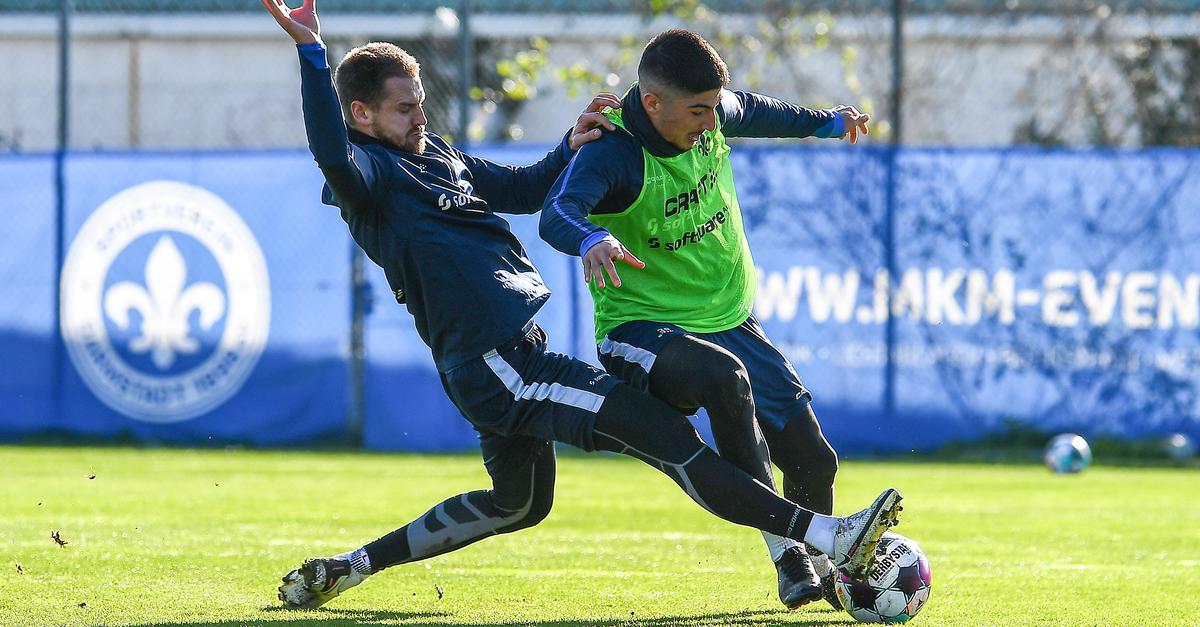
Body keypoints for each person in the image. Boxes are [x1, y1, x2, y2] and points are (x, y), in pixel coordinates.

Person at [261, 0, 902, 610]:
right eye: (404, 109)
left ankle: (351, 567)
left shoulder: (434, 156)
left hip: (514, 357)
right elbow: (330, 152)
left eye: (421, 103)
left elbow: (523, 190)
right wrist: (312, 54)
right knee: (667, 436)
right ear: (363, 116)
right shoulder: (367, 177)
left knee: (519, 505)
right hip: (501, 370)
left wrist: (567, 148)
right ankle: (826, 538)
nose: (420, 118)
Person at [539, 29, 873, 610]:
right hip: (641, 331)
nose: (711, 120)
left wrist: (825, 122)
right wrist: (591, 236)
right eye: (698, 110)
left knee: (815, 460)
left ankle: (825, 575)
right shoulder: (613, 152)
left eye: (715, 106)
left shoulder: (710, 112)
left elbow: (759, 110)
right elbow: (555, 211)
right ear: (652, 103)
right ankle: (788, 555)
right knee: (724, 379)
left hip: (731, 319)